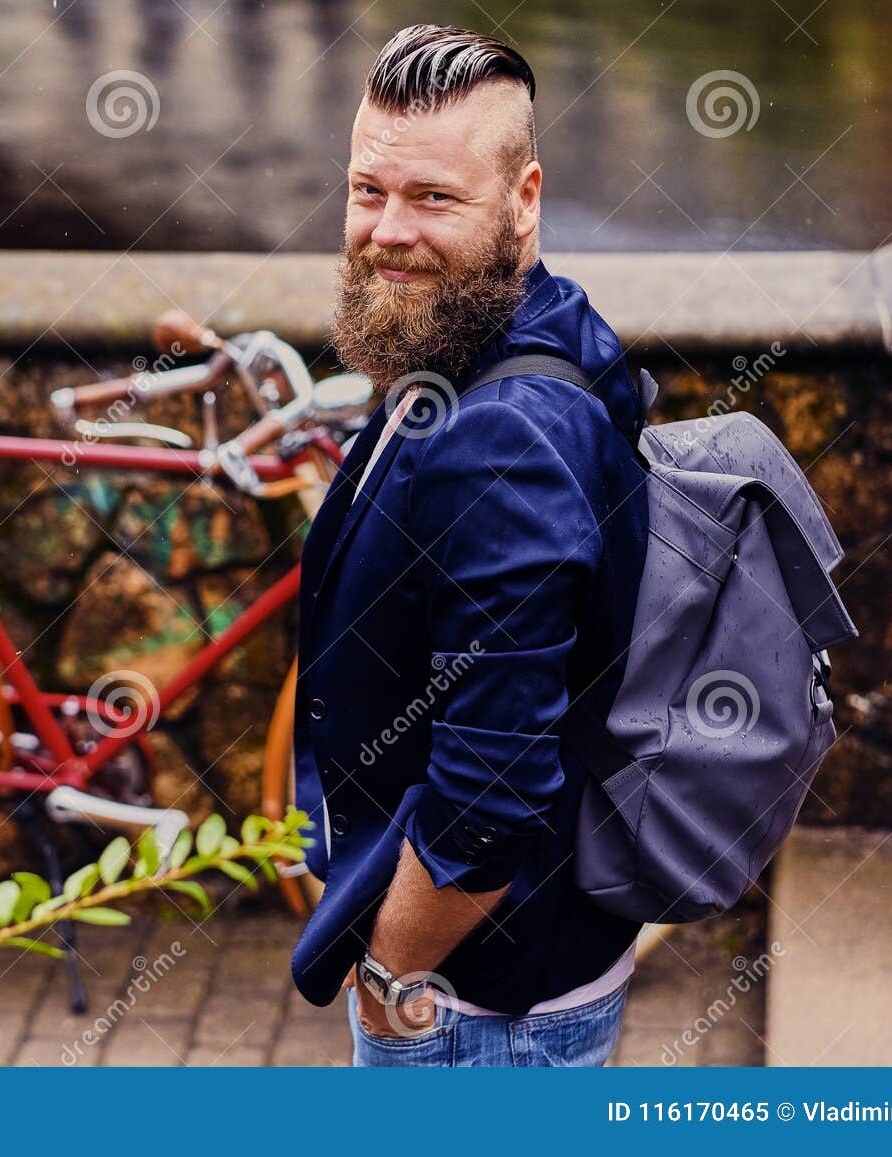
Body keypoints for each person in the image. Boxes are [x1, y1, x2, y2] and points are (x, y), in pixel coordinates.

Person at [289, 23, 651, 1067]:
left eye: (433, 198)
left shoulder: (504, 438)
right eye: (368, 191)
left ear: (524, 199)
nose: (388, 232)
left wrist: (391, 979)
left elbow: (487, 799)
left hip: (475, 1012)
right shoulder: (527, 324)